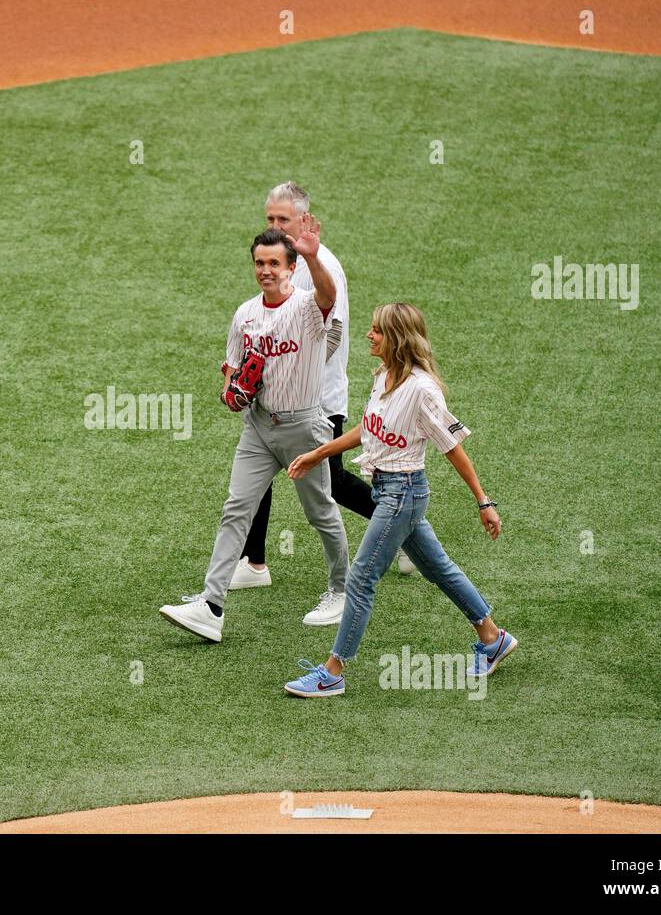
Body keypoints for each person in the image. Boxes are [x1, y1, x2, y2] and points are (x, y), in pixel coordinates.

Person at [281, 302, 518, 697]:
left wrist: (483, 501)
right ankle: (492, 637)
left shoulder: (423, 391)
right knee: (439, 569)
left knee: (361, 577)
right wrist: (320, 453)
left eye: (377, 330)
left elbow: (453, 449)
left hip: (403, 493)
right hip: (388, 490)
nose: (369, 335)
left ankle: (332, 672)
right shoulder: (384, 376)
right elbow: (367, 429)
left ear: (398, 338)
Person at [159, 220, 349, 642]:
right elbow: (231, 368)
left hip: (304, 428)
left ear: (290, 266)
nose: (266, 270)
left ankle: (341, 590)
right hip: (259, 429)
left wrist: (315, 255)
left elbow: (328, 296)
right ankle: (211, 606)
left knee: (320, 512)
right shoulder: (244, 313)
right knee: (236, 509)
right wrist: (233, 390)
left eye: (275, 263)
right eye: (260, 263)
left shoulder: (306, 306)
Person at [230, 183, 416, 597]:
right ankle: (254, 560)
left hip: (314, 399)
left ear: (303, 220)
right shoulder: (283, 262)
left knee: (329, 480)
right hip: (277, 399)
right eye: (270, 219)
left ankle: (407, 529)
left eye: (283, 219)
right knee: (258, 471)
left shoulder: (316, 266)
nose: (276, 226)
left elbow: (325, 337)